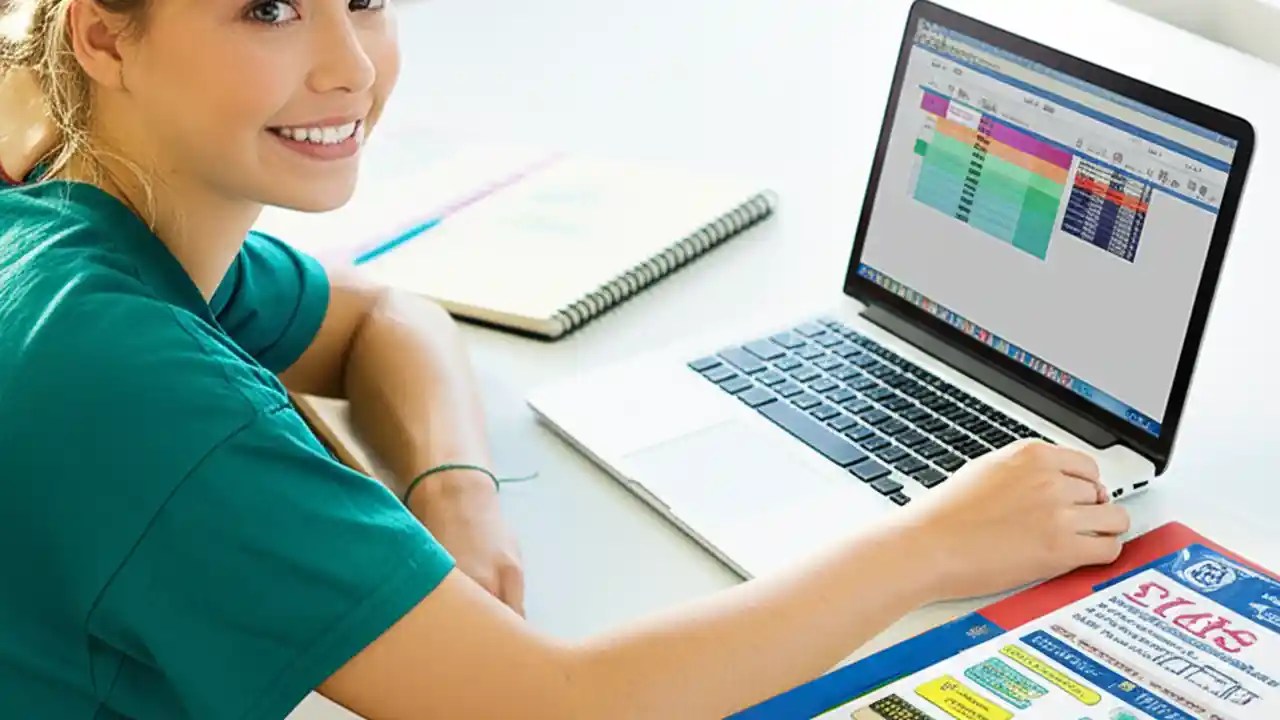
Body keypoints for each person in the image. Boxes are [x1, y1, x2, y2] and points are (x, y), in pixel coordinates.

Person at [0, 0, 1131, 717]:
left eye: (366, 1)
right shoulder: (133, 379)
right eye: (269, 10)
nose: (349, 67)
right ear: (103, 37)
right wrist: (929, 545)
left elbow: (391, 319)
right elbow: (556, 706)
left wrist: (456, 492)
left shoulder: (93, 224)